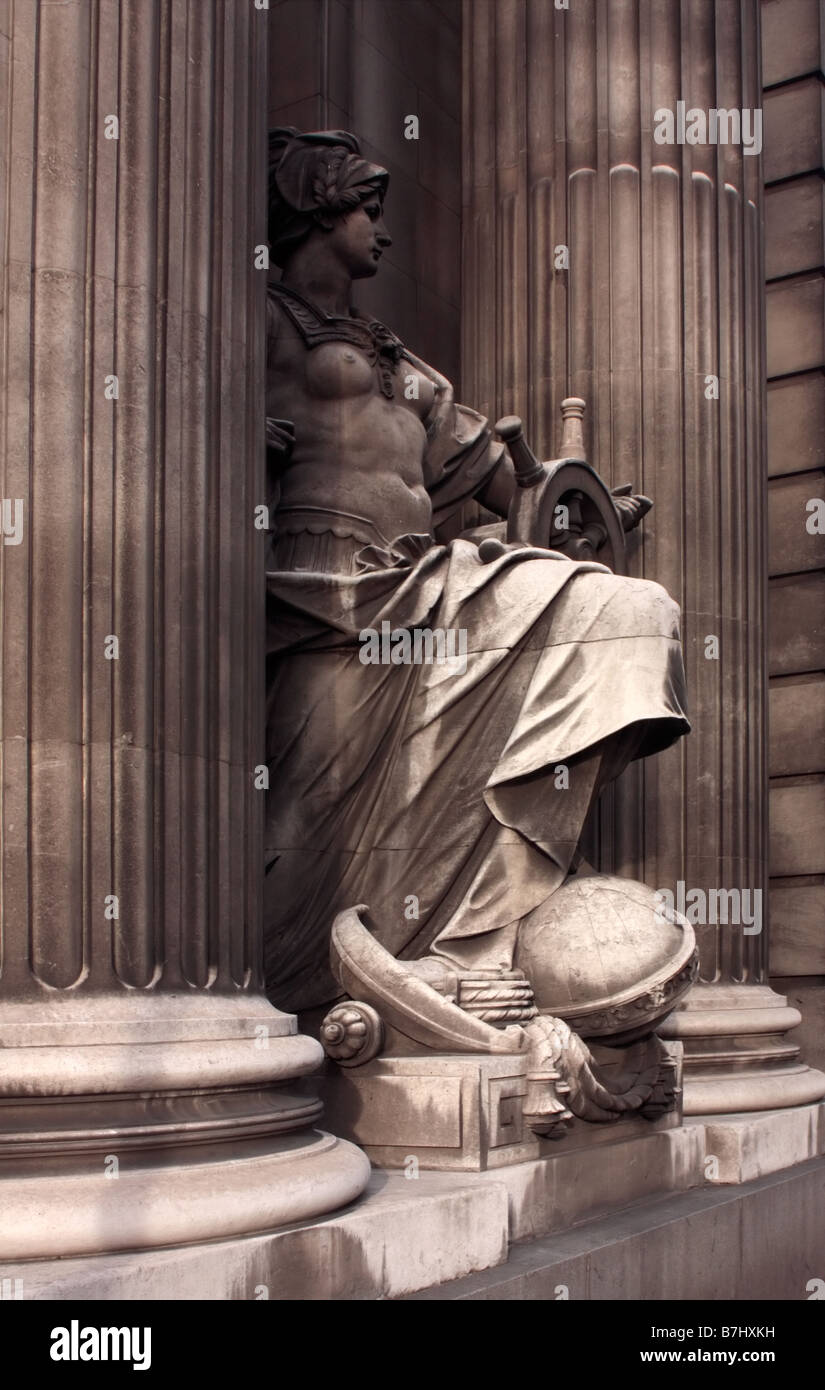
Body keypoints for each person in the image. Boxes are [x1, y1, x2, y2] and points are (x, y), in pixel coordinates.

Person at [264, 127, 689, 1017]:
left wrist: (587, 511)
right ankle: (300, 990)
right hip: (320, 580)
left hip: (430, 579)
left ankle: (475, 936)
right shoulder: (258, 317)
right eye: (365, 211)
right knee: (308, 822)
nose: (382, 233)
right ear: (314, 207)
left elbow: (511, 480)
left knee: (627, 614)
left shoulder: (396, 356)